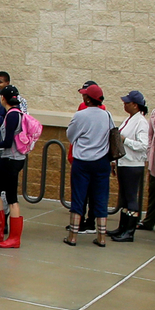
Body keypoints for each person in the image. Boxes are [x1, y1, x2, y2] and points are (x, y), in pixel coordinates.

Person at [64, 82, 113, 247]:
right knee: (100, 198)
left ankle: (73, 236)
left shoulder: (80, 115)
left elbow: (70, 136)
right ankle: (101, 237)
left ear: (88, 98)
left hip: (82, 161)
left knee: (78, 197)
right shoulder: (107, 115)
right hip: (102, 161)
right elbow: (112, 135)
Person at [0, 84, 28, 248]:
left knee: (11, 198)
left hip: (12, 160)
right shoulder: (13, 113)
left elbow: (8, 142)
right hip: (6, 159)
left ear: (3, 98)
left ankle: (15, 237)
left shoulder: (13, 115)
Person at [109, 90, 150, 242]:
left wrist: (125, 140)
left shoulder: (141, 122)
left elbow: (143, 146)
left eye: (127, 103)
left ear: (135, 105)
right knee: (125, 198)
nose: (124, 105)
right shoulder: (130, 119)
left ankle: (130, 231)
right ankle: (122, 227)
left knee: (131, 197)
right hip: (124, 163)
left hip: (133, 165)